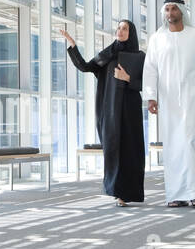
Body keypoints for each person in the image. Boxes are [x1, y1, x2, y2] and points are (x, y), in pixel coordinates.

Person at [143, 0, 195, 207]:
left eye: (174, 8)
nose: (170, 12)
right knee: (174, 145)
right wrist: (151, 96)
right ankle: (176, 194)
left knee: (192, 141)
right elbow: (151, 69)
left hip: (194, 97)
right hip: (168, 101)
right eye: (167, 9)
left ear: (182, 12)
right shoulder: (157, 38)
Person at [61, 21, 145, 206]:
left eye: (125, 28)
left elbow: (146, 84)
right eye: (118, 28)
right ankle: (116, 190)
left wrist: (128, 79)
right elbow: (84, 67)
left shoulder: (139, 57)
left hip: (130, 110)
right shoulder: (107, 54)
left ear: (131, 33)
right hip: (110, 110)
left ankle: (127, 193)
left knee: (130, 149)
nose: (120, 31)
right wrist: (73, 46)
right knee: (113, 149)